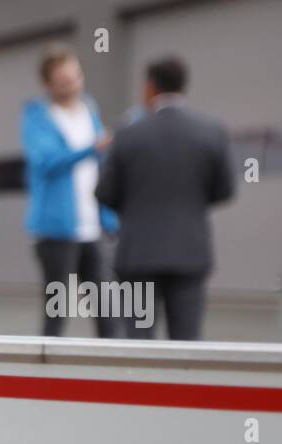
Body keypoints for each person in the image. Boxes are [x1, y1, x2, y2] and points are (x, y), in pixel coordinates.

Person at [95, 57, 236, 341]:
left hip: (138, 255)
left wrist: (135, 207)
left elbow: (104, 192)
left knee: (138, 343)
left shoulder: (127, 134)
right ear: (183, 86)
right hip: (189, 251)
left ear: (149, 88)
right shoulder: (212, 131)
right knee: (186, 346)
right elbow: (225, 189)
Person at [20, 44, 119, 337]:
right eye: (63, 81)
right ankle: (47, 377)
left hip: (92, 226)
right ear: (48, 84)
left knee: (107, 311)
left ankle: (114, 376)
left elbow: (99, 162)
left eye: (75, 77)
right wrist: (91, 148)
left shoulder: (89, 108)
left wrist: (110, 217)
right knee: (57, 311)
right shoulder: (36, 117)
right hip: (56, 230)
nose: (72, 85)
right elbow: (46, 161)